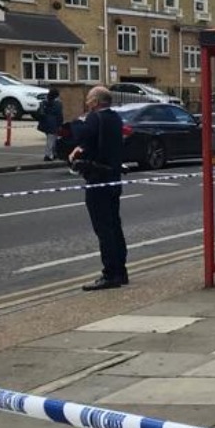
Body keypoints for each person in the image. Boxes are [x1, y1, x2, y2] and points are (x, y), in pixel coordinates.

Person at [69, 86, 128, 291]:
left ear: (95, 101)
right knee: (114, 225)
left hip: (97, 178)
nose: (87, 102)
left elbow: (83, 141)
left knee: (103, 229)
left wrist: (76, 151)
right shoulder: (115, 118)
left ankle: (110, 274)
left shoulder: (94, 118)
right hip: (113, 178)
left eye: (89, 99)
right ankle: (121, 271)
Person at [36, 88, 64, 161]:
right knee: (51, 140)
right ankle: (48, 155)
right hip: (53, 124)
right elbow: (59, 115)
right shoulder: (58, 104)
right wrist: (60, 124)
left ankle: (54, 154)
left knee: (52, 139)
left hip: (44, 123)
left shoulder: (44, 102)